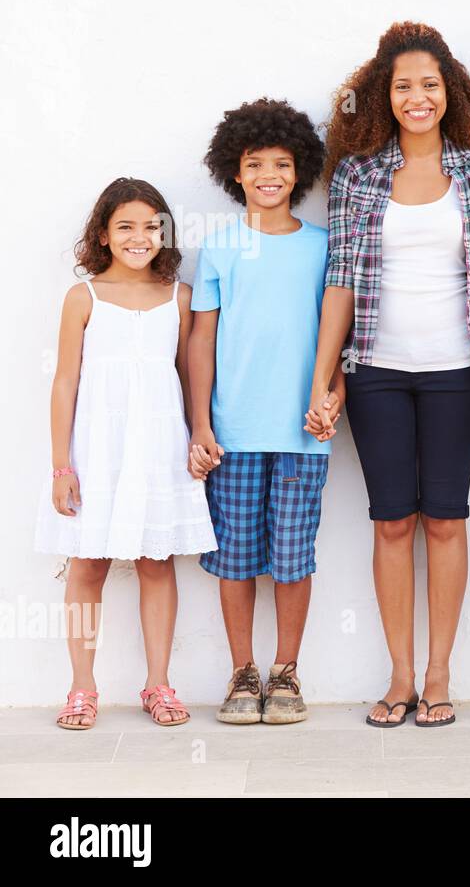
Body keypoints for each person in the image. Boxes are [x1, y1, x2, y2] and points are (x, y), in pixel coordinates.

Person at [313, 22, 470, 727]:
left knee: (445, 519)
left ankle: (440, 674)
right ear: (385, 94)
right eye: (403, 85)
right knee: (390, 522)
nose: (417, 96)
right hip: (376, 371)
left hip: (457, 371)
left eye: (429, 85)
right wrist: (325, 378)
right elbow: (340, 280)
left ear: (451, 94)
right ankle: (399, 676)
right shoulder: (357, 175)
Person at [37, 177, 218, 729]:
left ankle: (158, 684)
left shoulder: (179, 298)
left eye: (150, 226)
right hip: (98, 450)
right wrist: (61, 465)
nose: (140, 237)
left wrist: (198, 435)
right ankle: (82, 687)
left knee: (156, 562)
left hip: (159, 449)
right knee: (87, 564)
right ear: (104, 234)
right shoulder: (83, 297)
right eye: (126, 227)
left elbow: (191, 376)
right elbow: (66, 381)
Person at [187, 98, 344, 725]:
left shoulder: (323, 247)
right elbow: (201, 341)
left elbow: (339, 339)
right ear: (236, 171)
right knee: (235, 557)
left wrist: (334, 399)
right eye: (255, 164)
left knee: (292, 557)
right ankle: (242, 671)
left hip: (304, 435)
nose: (269, 175)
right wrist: (200, 424)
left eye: (282, 163)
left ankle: (286, 670)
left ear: (300, 169)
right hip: (233, 433)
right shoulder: (219, 249)